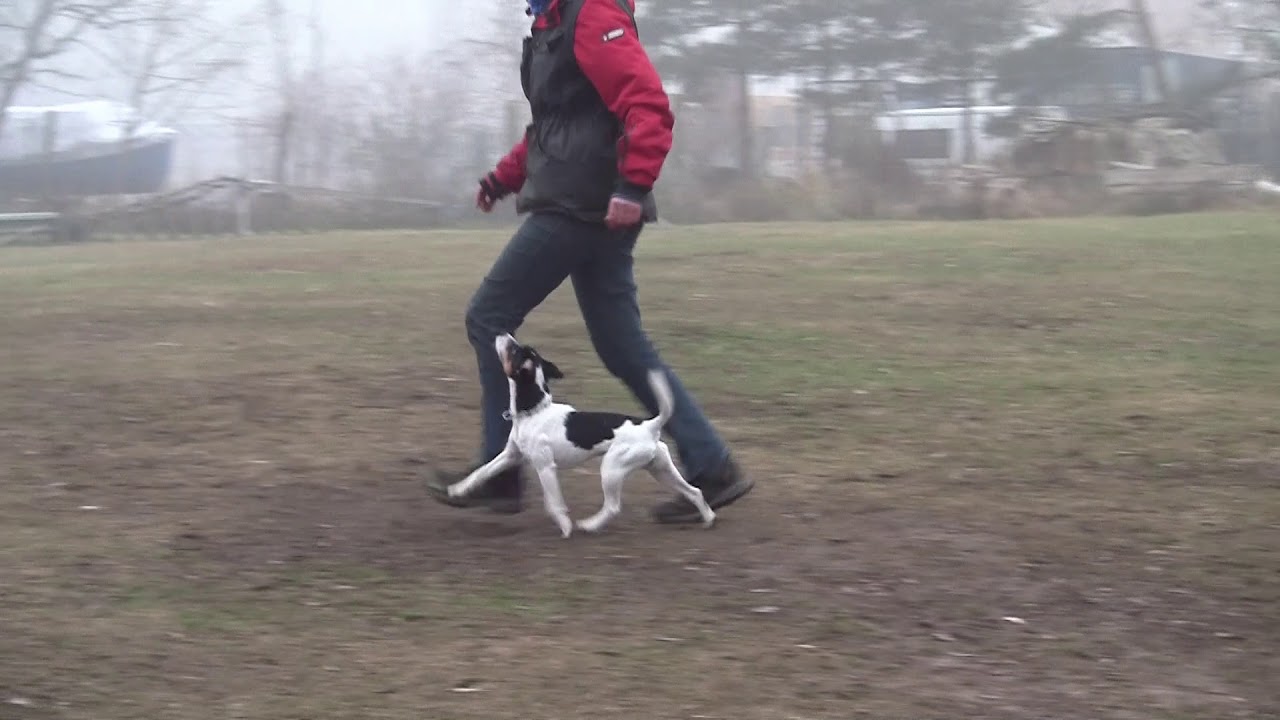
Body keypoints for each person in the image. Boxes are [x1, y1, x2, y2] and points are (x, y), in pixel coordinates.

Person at [425, 0, 754, 524]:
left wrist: (633, 185)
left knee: (488, 316)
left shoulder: (593, 15)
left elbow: (648, 105)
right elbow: (553, 130)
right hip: (588, 202)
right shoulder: (551, 23)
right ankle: (711, 466)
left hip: (582, 207)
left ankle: (500, 471)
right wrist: (502, 178)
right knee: (621, 345)